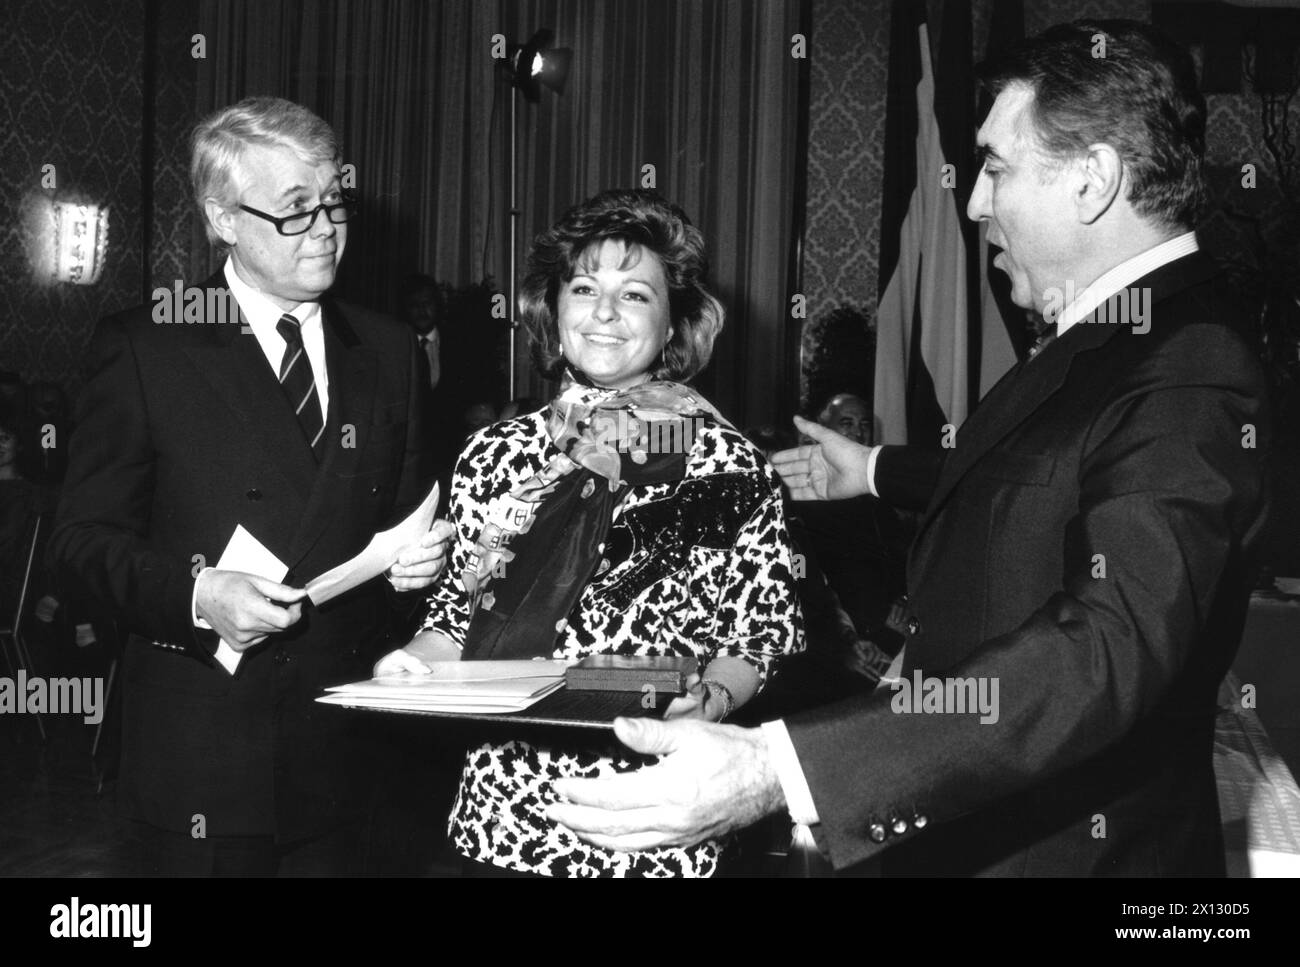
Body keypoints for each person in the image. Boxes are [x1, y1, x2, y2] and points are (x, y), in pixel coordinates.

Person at [546, 20, 1272, 876]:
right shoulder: (1119, 333)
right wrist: (878, 469)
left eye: (996, 168)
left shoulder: (1189, 360)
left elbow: (1109, 646)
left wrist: (784, 766)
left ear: (1094, 180)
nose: (973, 203)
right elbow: (1051, 473)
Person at [49, 96, 454, 875]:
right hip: (204, 760)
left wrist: (413, 576)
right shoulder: (147, 347)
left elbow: (403, 535)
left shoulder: (392, 349)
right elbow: (77, 547)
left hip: (348, 754)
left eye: (336, 200)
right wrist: (199, 596)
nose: (329, 228)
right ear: (224, 219)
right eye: (297, 211)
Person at [375, 188, 804, 876]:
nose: (604, 312)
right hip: (502, 820)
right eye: (584, 287)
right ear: (555, 309)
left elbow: (759, 636)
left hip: (659, 819)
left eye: (635, 294)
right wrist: (412, 667)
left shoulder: (725, 464)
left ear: (673, 323)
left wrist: (713, 697)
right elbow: (456, 623)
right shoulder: (493, 453)